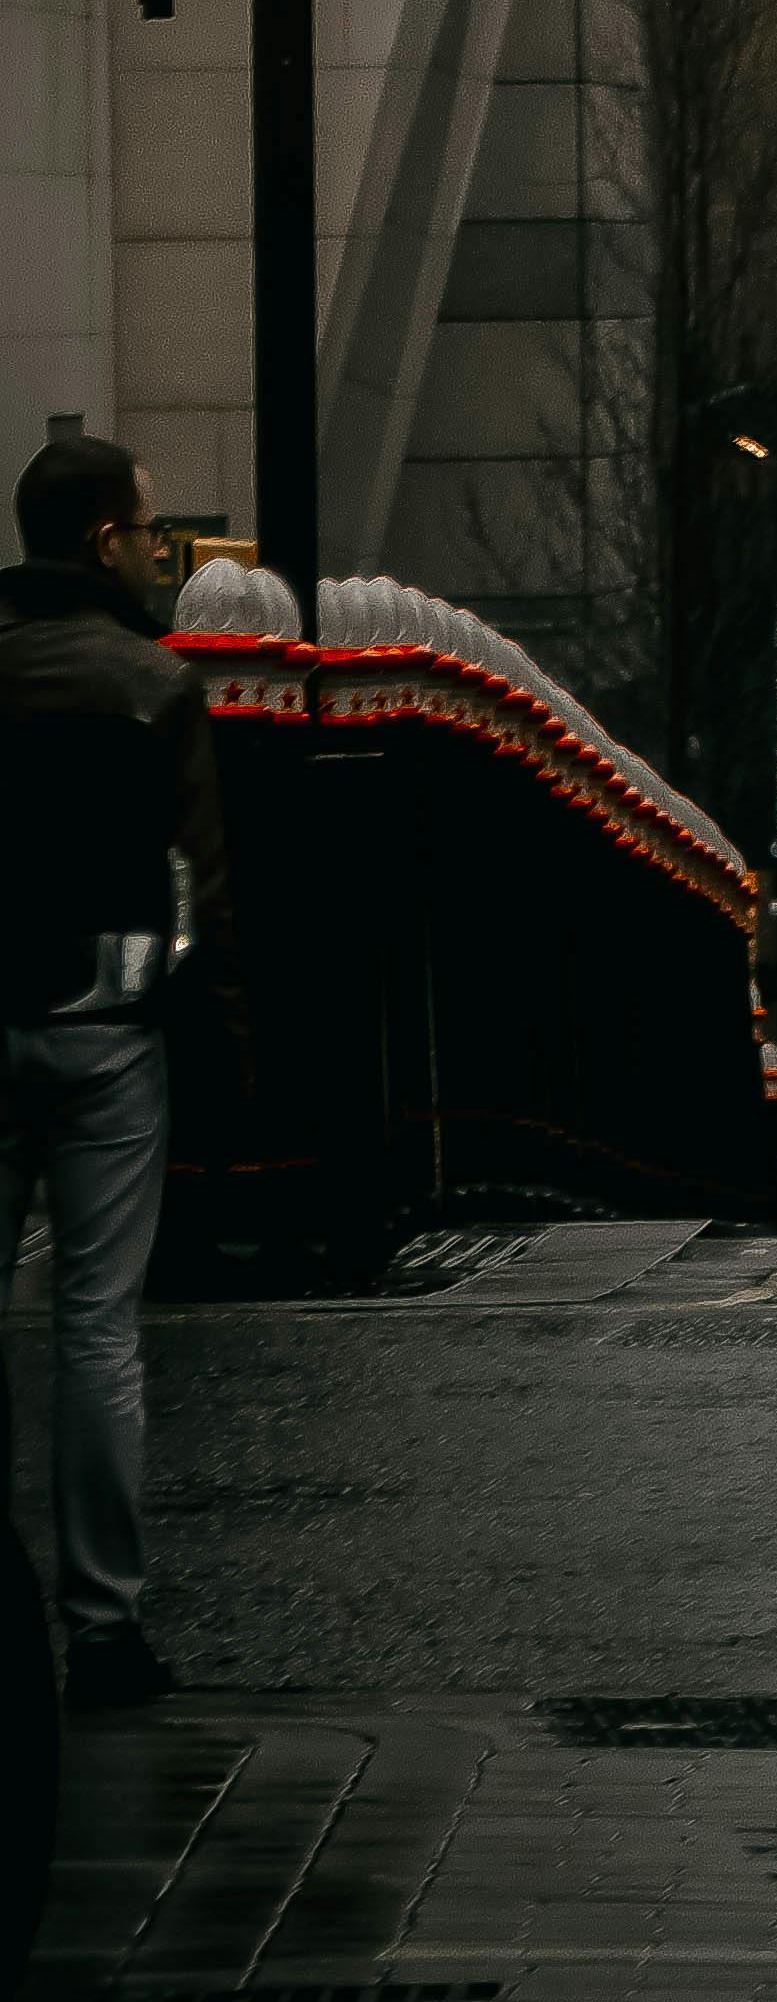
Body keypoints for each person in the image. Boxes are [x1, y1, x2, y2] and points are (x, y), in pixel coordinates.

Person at [0, 437, 239, 1713]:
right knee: (94, 1328)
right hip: (106, 1031)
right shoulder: (154, 686)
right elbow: (201, 890)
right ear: (102, 540)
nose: (161, 549)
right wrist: (218, 1034)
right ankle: (101, 1629)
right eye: (149, 530)